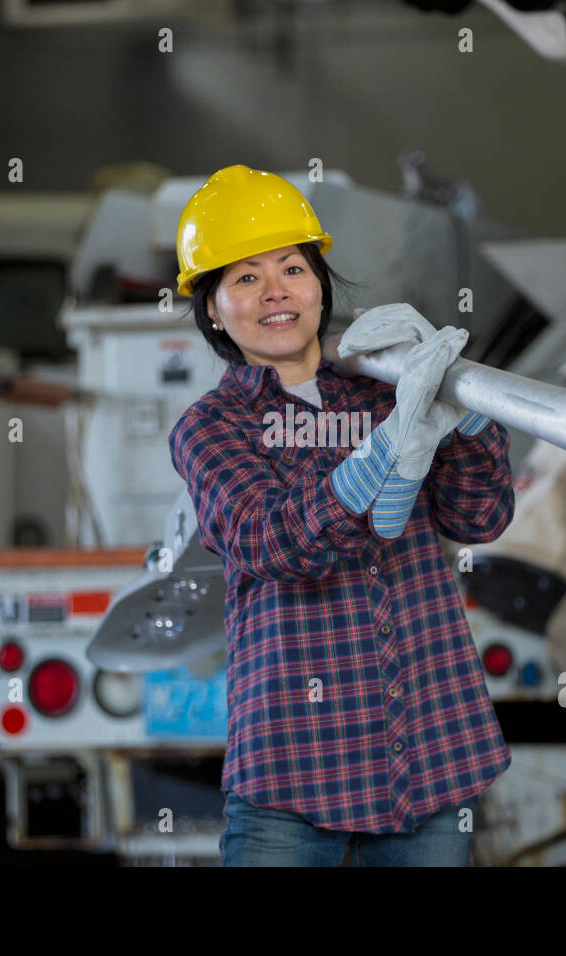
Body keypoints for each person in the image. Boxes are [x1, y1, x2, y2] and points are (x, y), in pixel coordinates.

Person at [168, 164, 514, 866]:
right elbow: (275, 543)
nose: (276, 292)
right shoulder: (213, 428)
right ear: (212, 309)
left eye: (292, 268)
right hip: (295, 772)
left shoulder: (385, 387)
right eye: (244, 278)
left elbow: (478, 518)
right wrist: (385, 449)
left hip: (432, 754)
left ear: (320, 284)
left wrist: (467, 413)